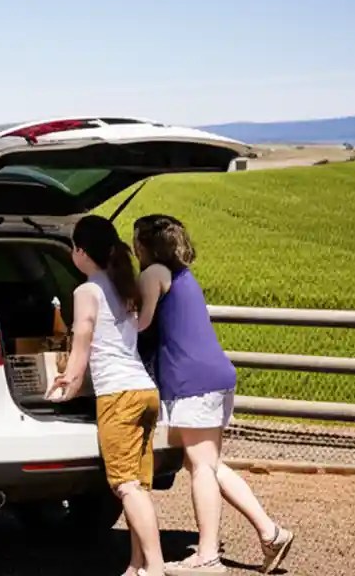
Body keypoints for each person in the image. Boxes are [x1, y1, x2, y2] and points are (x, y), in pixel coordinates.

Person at [133, 214, 294, 575]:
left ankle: (207, 556)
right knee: (207, 463)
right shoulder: (184, 276)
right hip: (217, 376)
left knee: (201, 465)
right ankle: (271, 533)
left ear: (143, 244)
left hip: (191, 381)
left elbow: (141, 324)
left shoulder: (152, 274)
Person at [48, 215, 164, 576]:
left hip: (119, 396)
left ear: (81, 252)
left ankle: (156, 569)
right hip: (145, 392)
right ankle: (136, 564)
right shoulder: (122, 285)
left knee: (125, 486)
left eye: (73, 248)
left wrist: (69, 378)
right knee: (139, 487)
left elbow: (82, 336)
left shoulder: (87, 291)